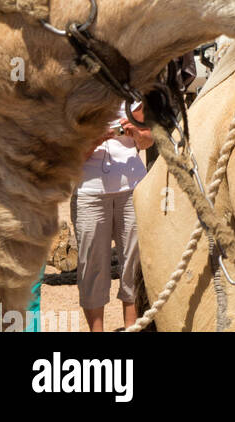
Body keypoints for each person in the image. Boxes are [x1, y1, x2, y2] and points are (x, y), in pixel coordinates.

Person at [70, 101, 153, 331]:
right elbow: (70, 155)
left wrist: (137, 133)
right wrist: (98, 138)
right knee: (92, 268)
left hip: (133, 189)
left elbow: (148, 140)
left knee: (133, 264)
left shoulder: (133, 95)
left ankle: (131, 327)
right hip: (89, 192)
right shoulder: (78, 95)